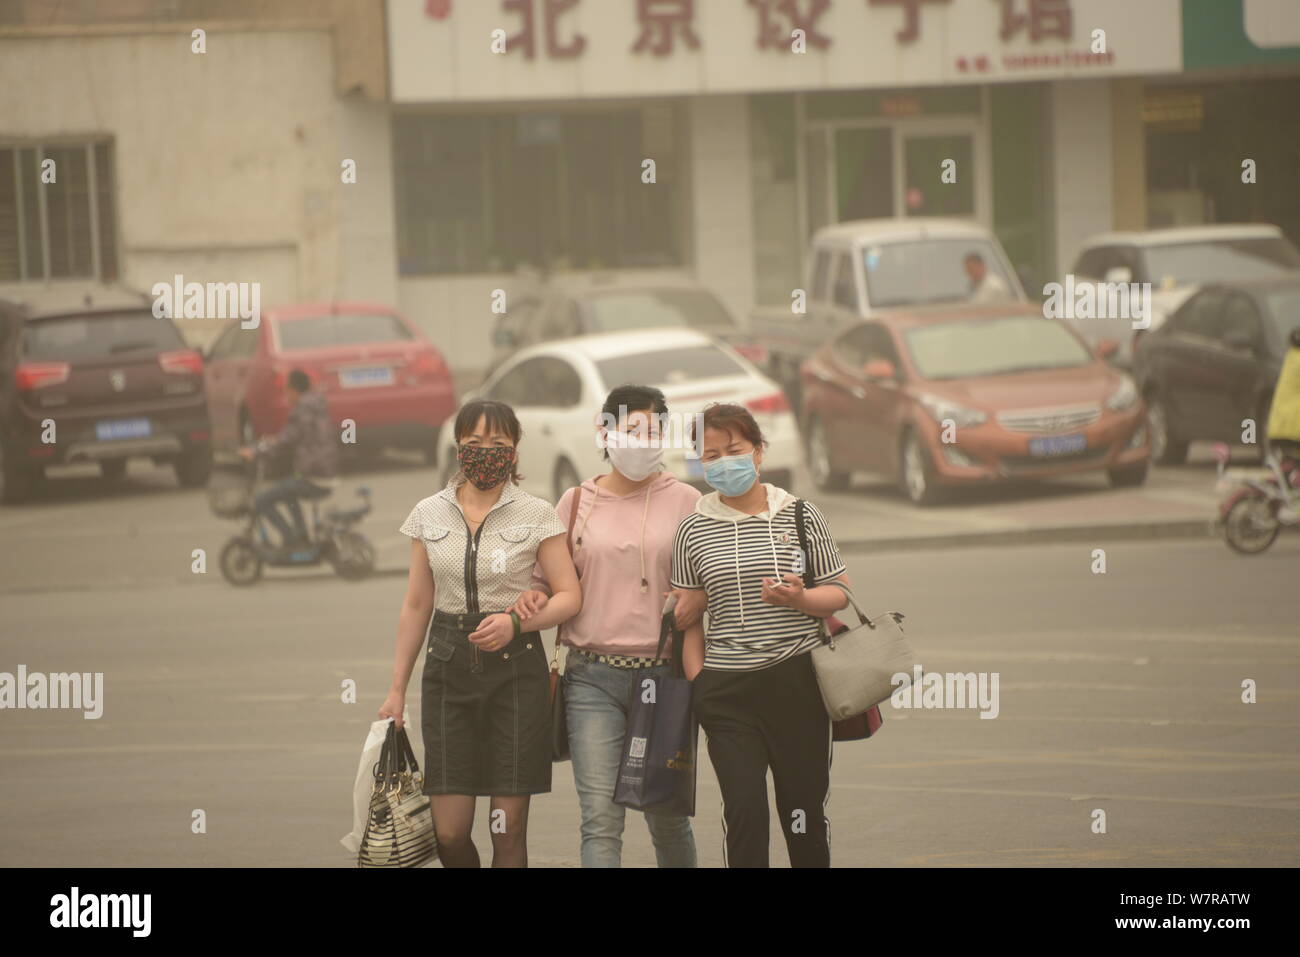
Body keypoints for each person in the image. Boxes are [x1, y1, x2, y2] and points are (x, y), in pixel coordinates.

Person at [379, 399, 581, 868]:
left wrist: (517, 622)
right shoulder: (428, 513)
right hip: (448, 667)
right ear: (458, 448)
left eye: (498, 444)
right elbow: (416, 604)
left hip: (517, 672)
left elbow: (569, 595)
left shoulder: (537, 513)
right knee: (448, 832)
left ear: (514, 451)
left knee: (507, 830)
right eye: (474, 443)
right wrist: (395, 689)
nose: (486, 453)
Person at [513, 385, 706, 868]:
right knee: (600, 819)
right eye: (631, 429)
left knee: (667, 817)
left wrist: (696, 599)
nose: (643, 440)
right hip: (591, 678)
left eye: (654, 430)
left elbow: (710, 580)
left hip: (663, 678)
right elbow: (549, 583)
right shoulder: (576, 502)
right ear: (606, 432)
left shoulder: (687, 501)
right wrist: (535, 596)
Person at [672, 402, 851, 868]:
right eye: (710, 456)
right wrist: (699, 682)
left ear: (758, 452)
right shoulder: (692, 528)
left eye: (733, 449)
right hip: (727, 691)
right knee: (745, 811)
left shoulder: (799, 515)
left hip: (798, 683)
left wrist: (801, 600)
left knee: (802, 813)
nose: (723, 462)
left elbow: (839, 594)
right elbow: (687, 615)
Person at [238, 369, 338, 558]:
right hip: (326, 470)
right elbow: (295, 436)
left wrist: (255, 451)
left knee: (261, 501)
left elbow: (287, 440)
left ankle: (291, 539)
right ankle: (300, 536)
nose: (285, 396)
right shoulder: (316, 406)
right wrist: (271, 442)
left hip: (313, 475)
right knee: (287, 490)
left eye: (286, 391)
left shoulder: (302, 409)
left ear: (294, 390)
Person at [1266, 328, 1300, 517]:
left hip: (1280, 428)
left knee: (1291, 465)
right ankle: (1292, 506)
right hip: (1294, 430)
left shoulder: (1292, 357)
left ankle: (1287, 500)